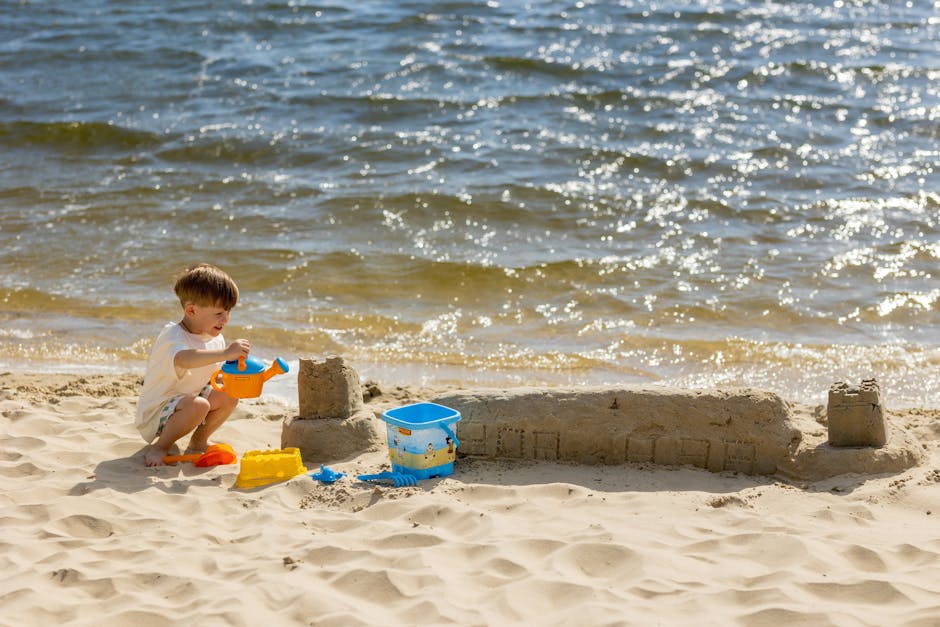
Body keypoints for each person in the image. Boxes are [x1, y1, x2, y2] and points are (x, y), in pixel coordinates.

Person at [136, 264, 250, 466]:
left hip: (189, 401)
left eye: (228, 311)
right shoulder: (173, 336)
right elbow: (184, 359)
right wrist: (224, 353)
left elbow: (214, 378)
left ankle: (198, 442)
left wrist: (238, 374)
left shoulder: (215, 339)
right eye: (219, 314)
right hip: (159, 410)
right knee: (199, 405)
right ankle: (160, 446)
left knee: (229, 391)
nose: (226, 319)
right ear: (191, 310)